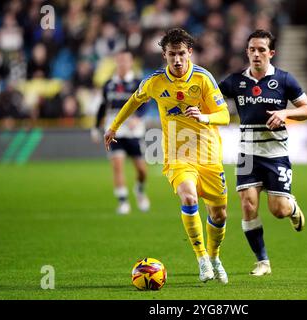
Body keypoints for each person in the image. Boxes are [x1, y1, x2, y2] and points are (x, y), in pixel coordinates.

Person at [104, 28, 230, 284]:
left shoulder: (204, 78)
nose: (177, 60)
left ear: (189, 52)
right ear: (164, 55)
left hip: (208, 154)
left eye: (182, 53)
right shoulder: (155, 82)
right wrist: (114, 126)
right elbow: (133, 101)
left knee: (219, 214)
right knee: (188, 195)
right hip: (177, 155)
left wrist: (205, 117)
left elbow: (225, 115)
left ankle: (215, 256)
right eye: (172, 54)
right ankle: (202, 258)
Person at [219, 30, 307, 276]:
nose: (256, 54)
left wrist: (285, 113)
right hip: (247, 154)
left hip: (275, 153)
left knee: (278, 210)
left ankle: (292, 208)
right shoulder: (235, 81)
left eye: (262, 50)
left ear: (271, 53)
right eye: (252, 49)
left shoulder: (284, 80)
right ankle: (262, 261)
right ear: (247, 52)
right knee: (248, 206)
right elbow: (210, 97)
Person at [91, 51, 150, 215]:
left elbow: (145, 103)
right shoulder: (109, 84)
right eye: (120, 60)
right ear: (116, 62)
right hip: (114, 131)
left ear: (131, 62)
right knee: (117, 166)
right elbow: (103, 107)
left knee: (142, 170)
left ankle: (139, 190)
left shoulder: (139, 82)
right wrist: (96, 127)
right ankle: (123, 202)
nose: (123, 63)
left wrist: (137, 117)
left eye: (126, 60)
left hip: (134, 132)